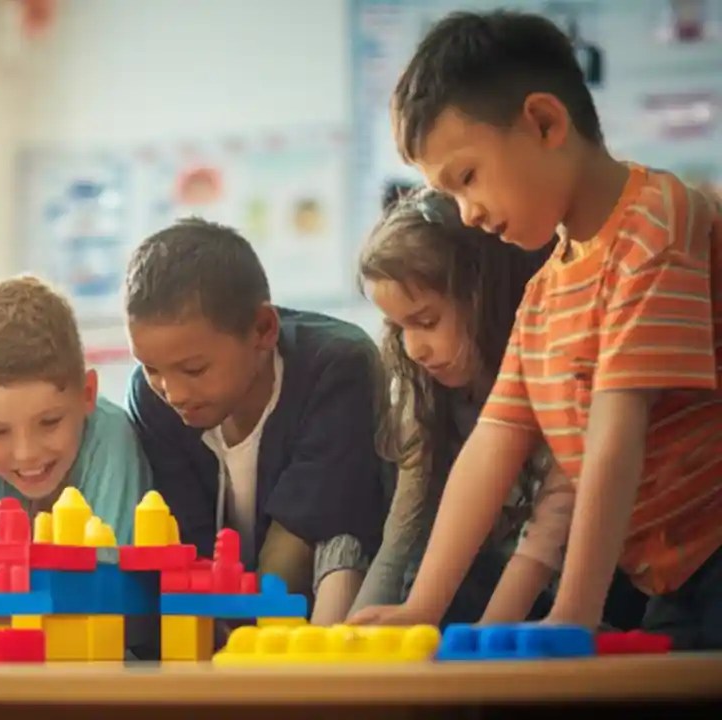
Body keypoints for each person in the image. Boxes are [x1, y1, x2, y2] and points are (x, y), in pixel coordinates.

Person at [352, 10, 721, 649]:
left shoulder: (658, 222)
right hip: (671, 577)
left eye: (466, 178)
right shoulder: (546, 290)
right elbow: (493, 445)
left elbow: (616, 430)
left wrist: (574, 611)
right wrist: (421, 606)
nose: (466, 214)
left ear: (545, 123)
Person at [124, 217, 390, 625]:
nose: (172, 392)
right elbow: (187, 546)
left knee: (340, 540)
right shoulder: (151, 397)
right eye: (151, 368)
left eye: (194, 369)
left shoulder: (336, 366)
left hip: (318, 610)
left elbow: (300, 532)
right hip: (215, 624)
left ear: (263, 330)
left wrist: (252, 648)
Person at [349, 188, 566, 625]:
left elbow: (551, 529)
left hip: (572, 583)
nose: (414, 349)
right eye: (399, 327)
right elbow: (403, 534)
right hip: (484, 581)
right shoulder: (424, 394)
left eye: (427, 322)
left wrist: (488, 639)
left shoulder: (551, 374)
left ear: (483, 298)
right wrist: (348, 643)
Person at [0, 275, 152, 544]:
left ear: (87, 394)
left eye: (49, 422)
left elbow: (105, 571)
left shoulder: (111, 440)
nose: (27, 453)